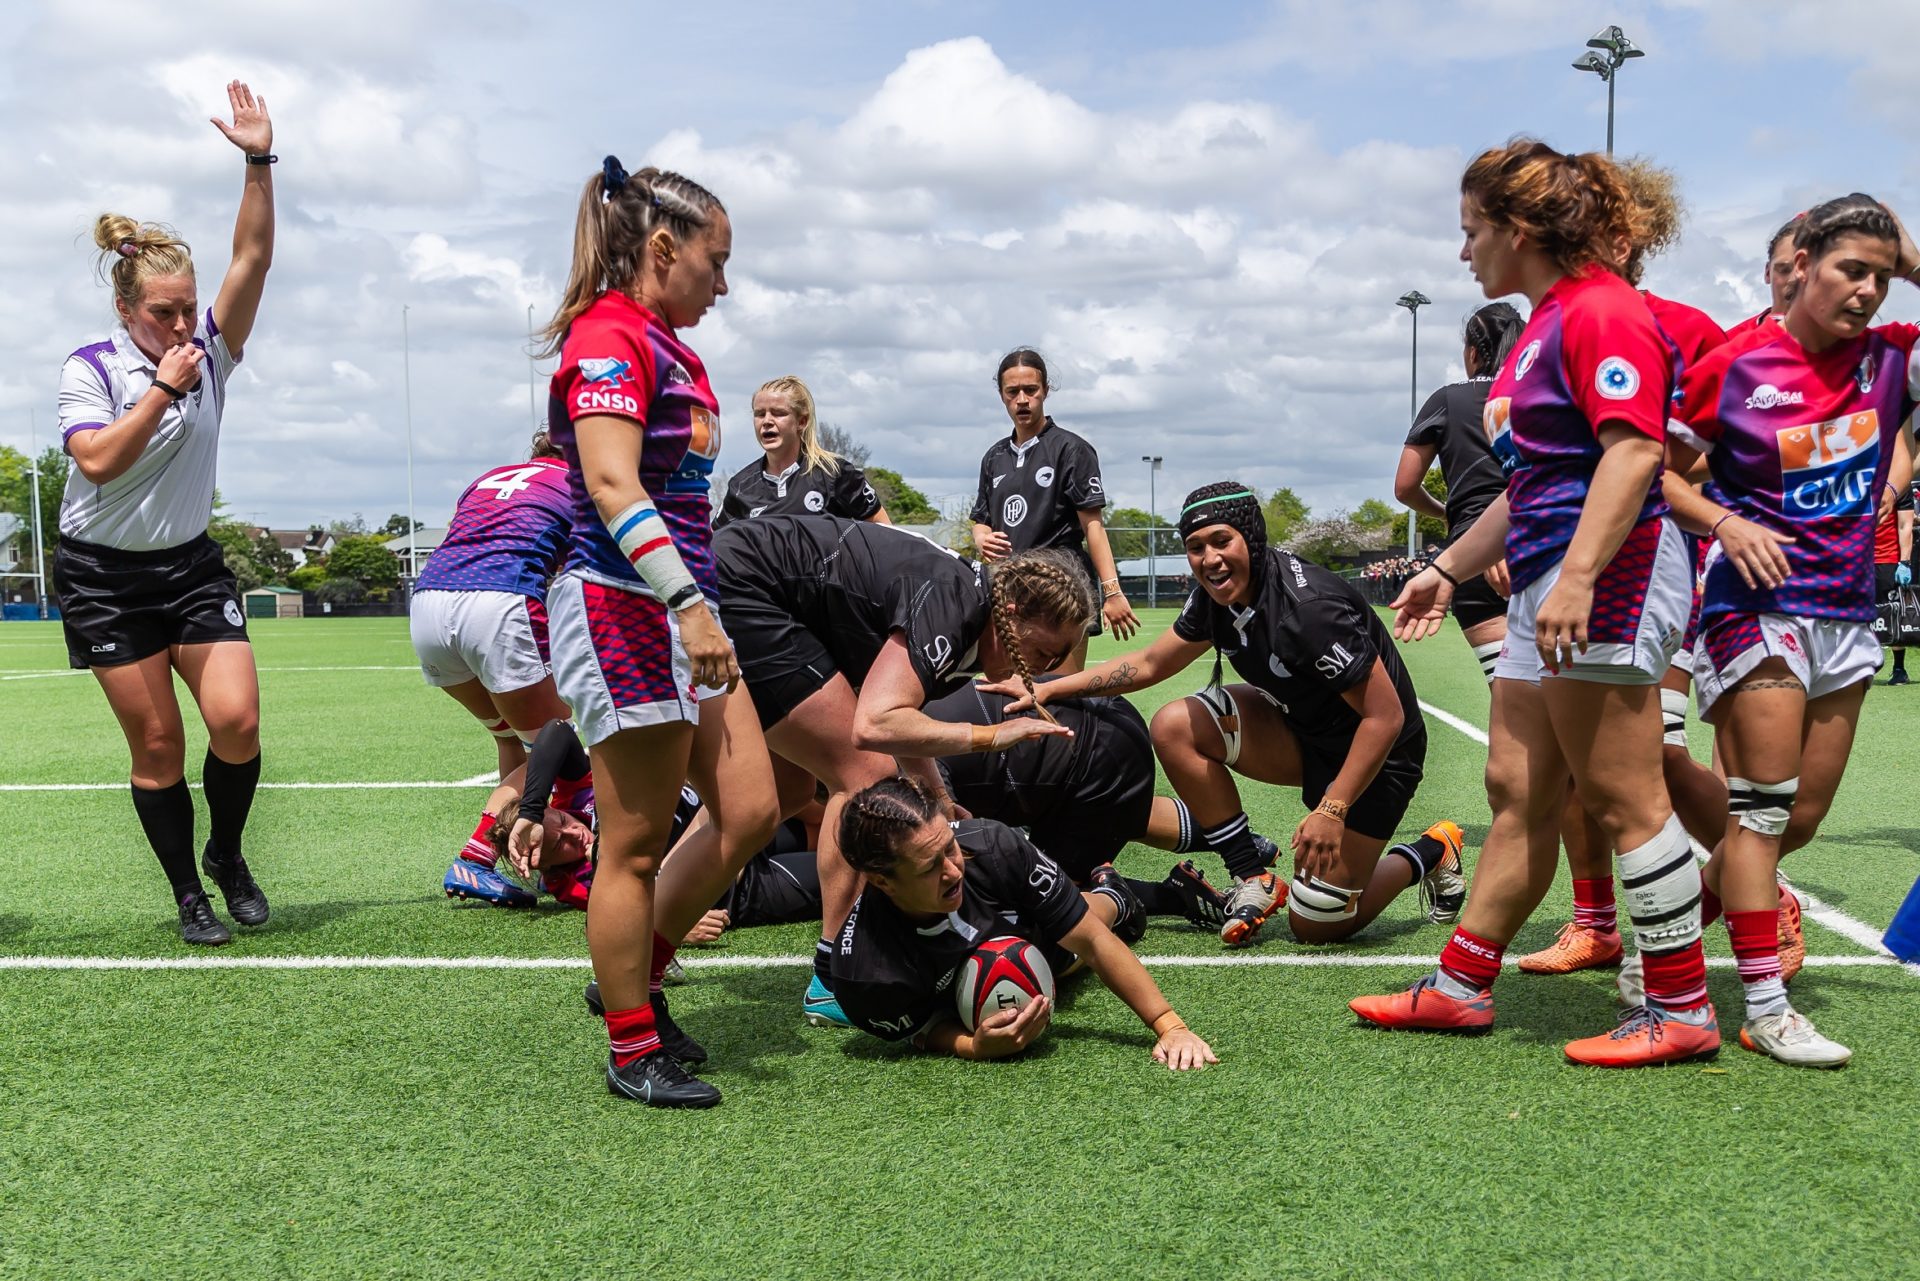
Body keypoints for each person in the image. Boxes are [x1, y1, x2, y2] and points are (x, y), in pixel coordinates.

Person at [1350, 139, 1714, 1068]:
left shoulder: (1601, 311)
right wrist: (1446, 562)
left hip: (1609, 570)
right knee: (1516, 789)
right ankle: (1463, 985)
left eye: (1469, 230)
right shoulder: (1546, 323)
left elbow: (1636, 455)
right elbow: (1529, 486)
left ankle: (1680, 1005)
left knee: (1625, 792)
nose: (1461, 251)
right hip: (1546, 572)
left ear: (1517, 229)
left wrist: (1584, 576)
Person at [539, 156, 778, 1108]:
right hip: (625, 605)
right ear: (664, 247)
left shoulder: (669, 343)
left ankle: (632, 972)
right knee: (632, 845)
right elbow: (610, 484)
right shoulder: (606, 334)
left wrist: (697, 605)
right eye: (715, 263)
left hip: (682, 609)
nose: (724, 284)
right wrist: (686, 603)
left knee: (752, 807)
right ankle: (632, 1043)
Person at [1662, 193, 1920, 1066]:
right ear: (1800, 262)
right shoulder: (1734, 367)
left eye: (1884, 279)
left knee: (1795, 819)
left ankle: (1672, 937)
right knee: (1763, 812)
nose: (1868, 293)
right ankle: (1765, 1007)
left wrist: (1909, 257)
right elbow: (1656, 473)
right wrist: (1724, 523)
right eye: (1853, 270)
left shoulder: (1891, 361)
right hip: (1753, 607)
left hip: (1847, 615)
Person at [995, 483, 1466, 950]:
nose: (1210, 559)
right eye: (1196, 548)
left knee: (1318, 924)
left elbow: (1386, 718)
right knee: (1175, 725)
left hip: (1379, 755)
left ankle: (1432, 850)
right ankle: (1251, 874)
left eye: (1222, 541)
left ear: (1251, 539)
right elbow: (1153, 663)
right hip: (1302, 731)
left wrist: (1333, 808)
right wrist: (1046, 685)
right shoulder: (1218, 596)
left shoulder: (1309, 611)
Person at [712, 514, 1096, 1027]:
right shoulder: (955, 606)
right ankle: (831, 978)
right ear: (1011, 614)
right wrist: (988, 737)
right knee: (864, 777)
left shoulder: (968, 607)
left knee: (778, 794)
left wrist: (936, 795)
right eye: (1044, 650)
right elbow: (875, 725)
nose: (1044, 667)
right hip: (744, 582)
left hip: (745, 578)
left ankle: (654, 920)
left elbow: (901, 717)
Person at [52, 82, 275, 946]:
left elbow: (250, 261)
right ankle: (189, 892)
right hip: (103, 575)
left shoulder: (209, 348)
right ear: (124, 310)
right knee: (159, 746)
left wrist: (259, 161)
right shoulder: (94, 367)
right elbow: (100, 458)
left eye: (189, 308)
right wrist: (160, 388)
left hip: (187, 566)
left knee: (237, 721)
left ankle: (226, 853)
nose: (184, 322)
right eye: (164, 312)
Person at [1516, 157, 1733, 976]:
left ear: (1632, 233)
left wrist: (1656, 487)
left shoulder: (1675, 324)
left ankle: (1756, 899)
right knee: (1576, 770)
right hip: (1575, 559)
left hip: (1652, 558)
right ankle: (1597, 921)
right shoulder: (1552, 325)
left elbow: (1703, 449)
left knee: (1651, 763)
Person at [828, 776, 1217, 1070]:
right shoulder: (864, 974)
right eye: (930, 866)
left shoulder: (992, 846)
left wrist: (1171, 1027)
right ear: (882, 881)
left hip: (1036, 935)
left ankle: (1116, 896)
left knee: (1078, 932)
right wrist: (972, 1046)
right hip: (967, 976)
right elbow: (924, 1027)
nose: (952, 870)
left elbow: (1093, 942)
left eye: (949, 848)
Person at [410, 432, 577, 902]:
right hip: (500, 602)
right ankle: (478, 856)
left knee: (509, 736)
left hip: (429, 603)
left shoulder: (489, 478)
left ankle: (518, 848)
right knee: (555, 744)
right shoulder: (583, 480)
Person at [927, 680, 1231, 929]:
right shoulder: (902, 716)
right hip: (1089, 733)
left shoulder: (907, 779)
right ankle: (1237, 844)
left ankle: (1129, 898)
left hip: (1098, 757)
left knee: (1043, 906)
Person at [969, 348, 1136, 672]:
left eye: (1030, 390)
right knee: (1004, 696)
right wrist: (981, 538)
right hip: (1008, 593)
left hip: (1063, 590)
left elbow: (1093, 527)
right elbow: (980, 520)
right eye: (1012, 391)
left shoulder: (1071, 449)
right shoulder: (994, 457)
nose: (1022, 399)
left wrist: (1112, 592)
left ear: (1045, 390)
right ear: (1001, 396)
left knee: (1057, 698)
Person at [1394, 302, 1527, 684]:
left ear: (1472, 352)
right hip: (1541, 542)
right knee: (1564, 702)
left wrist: (1445, 512)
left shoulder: (1448, 399)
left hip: (1470, 554)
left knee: (1510, 703)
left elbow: (1405, 487)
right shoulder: (1539, 393)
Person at [714, 376, 890, 527]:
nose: (767, 421)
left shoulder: (834, 473)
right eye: (759, 414)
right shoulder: (741, 486)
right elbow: (712, 545)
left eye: (778, 413)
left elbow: (885, 533)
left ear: (802, 421)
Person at [1723, 213, 1807, 339]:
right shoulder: (1729, 344)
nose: (1794, 279)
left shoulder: (1844, 343)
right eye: (1784, 270)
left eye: (1807, 269)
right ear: (1767, 273)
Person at [1873, 480, 1914, 684]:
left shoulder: (1900, 485)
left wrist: (1904, 562)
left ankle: (1899, 668)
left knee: (1893, 614)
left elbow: (1905, 524)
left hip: (1887, 559)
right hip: (1857, 558)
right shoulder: (1852, 480)